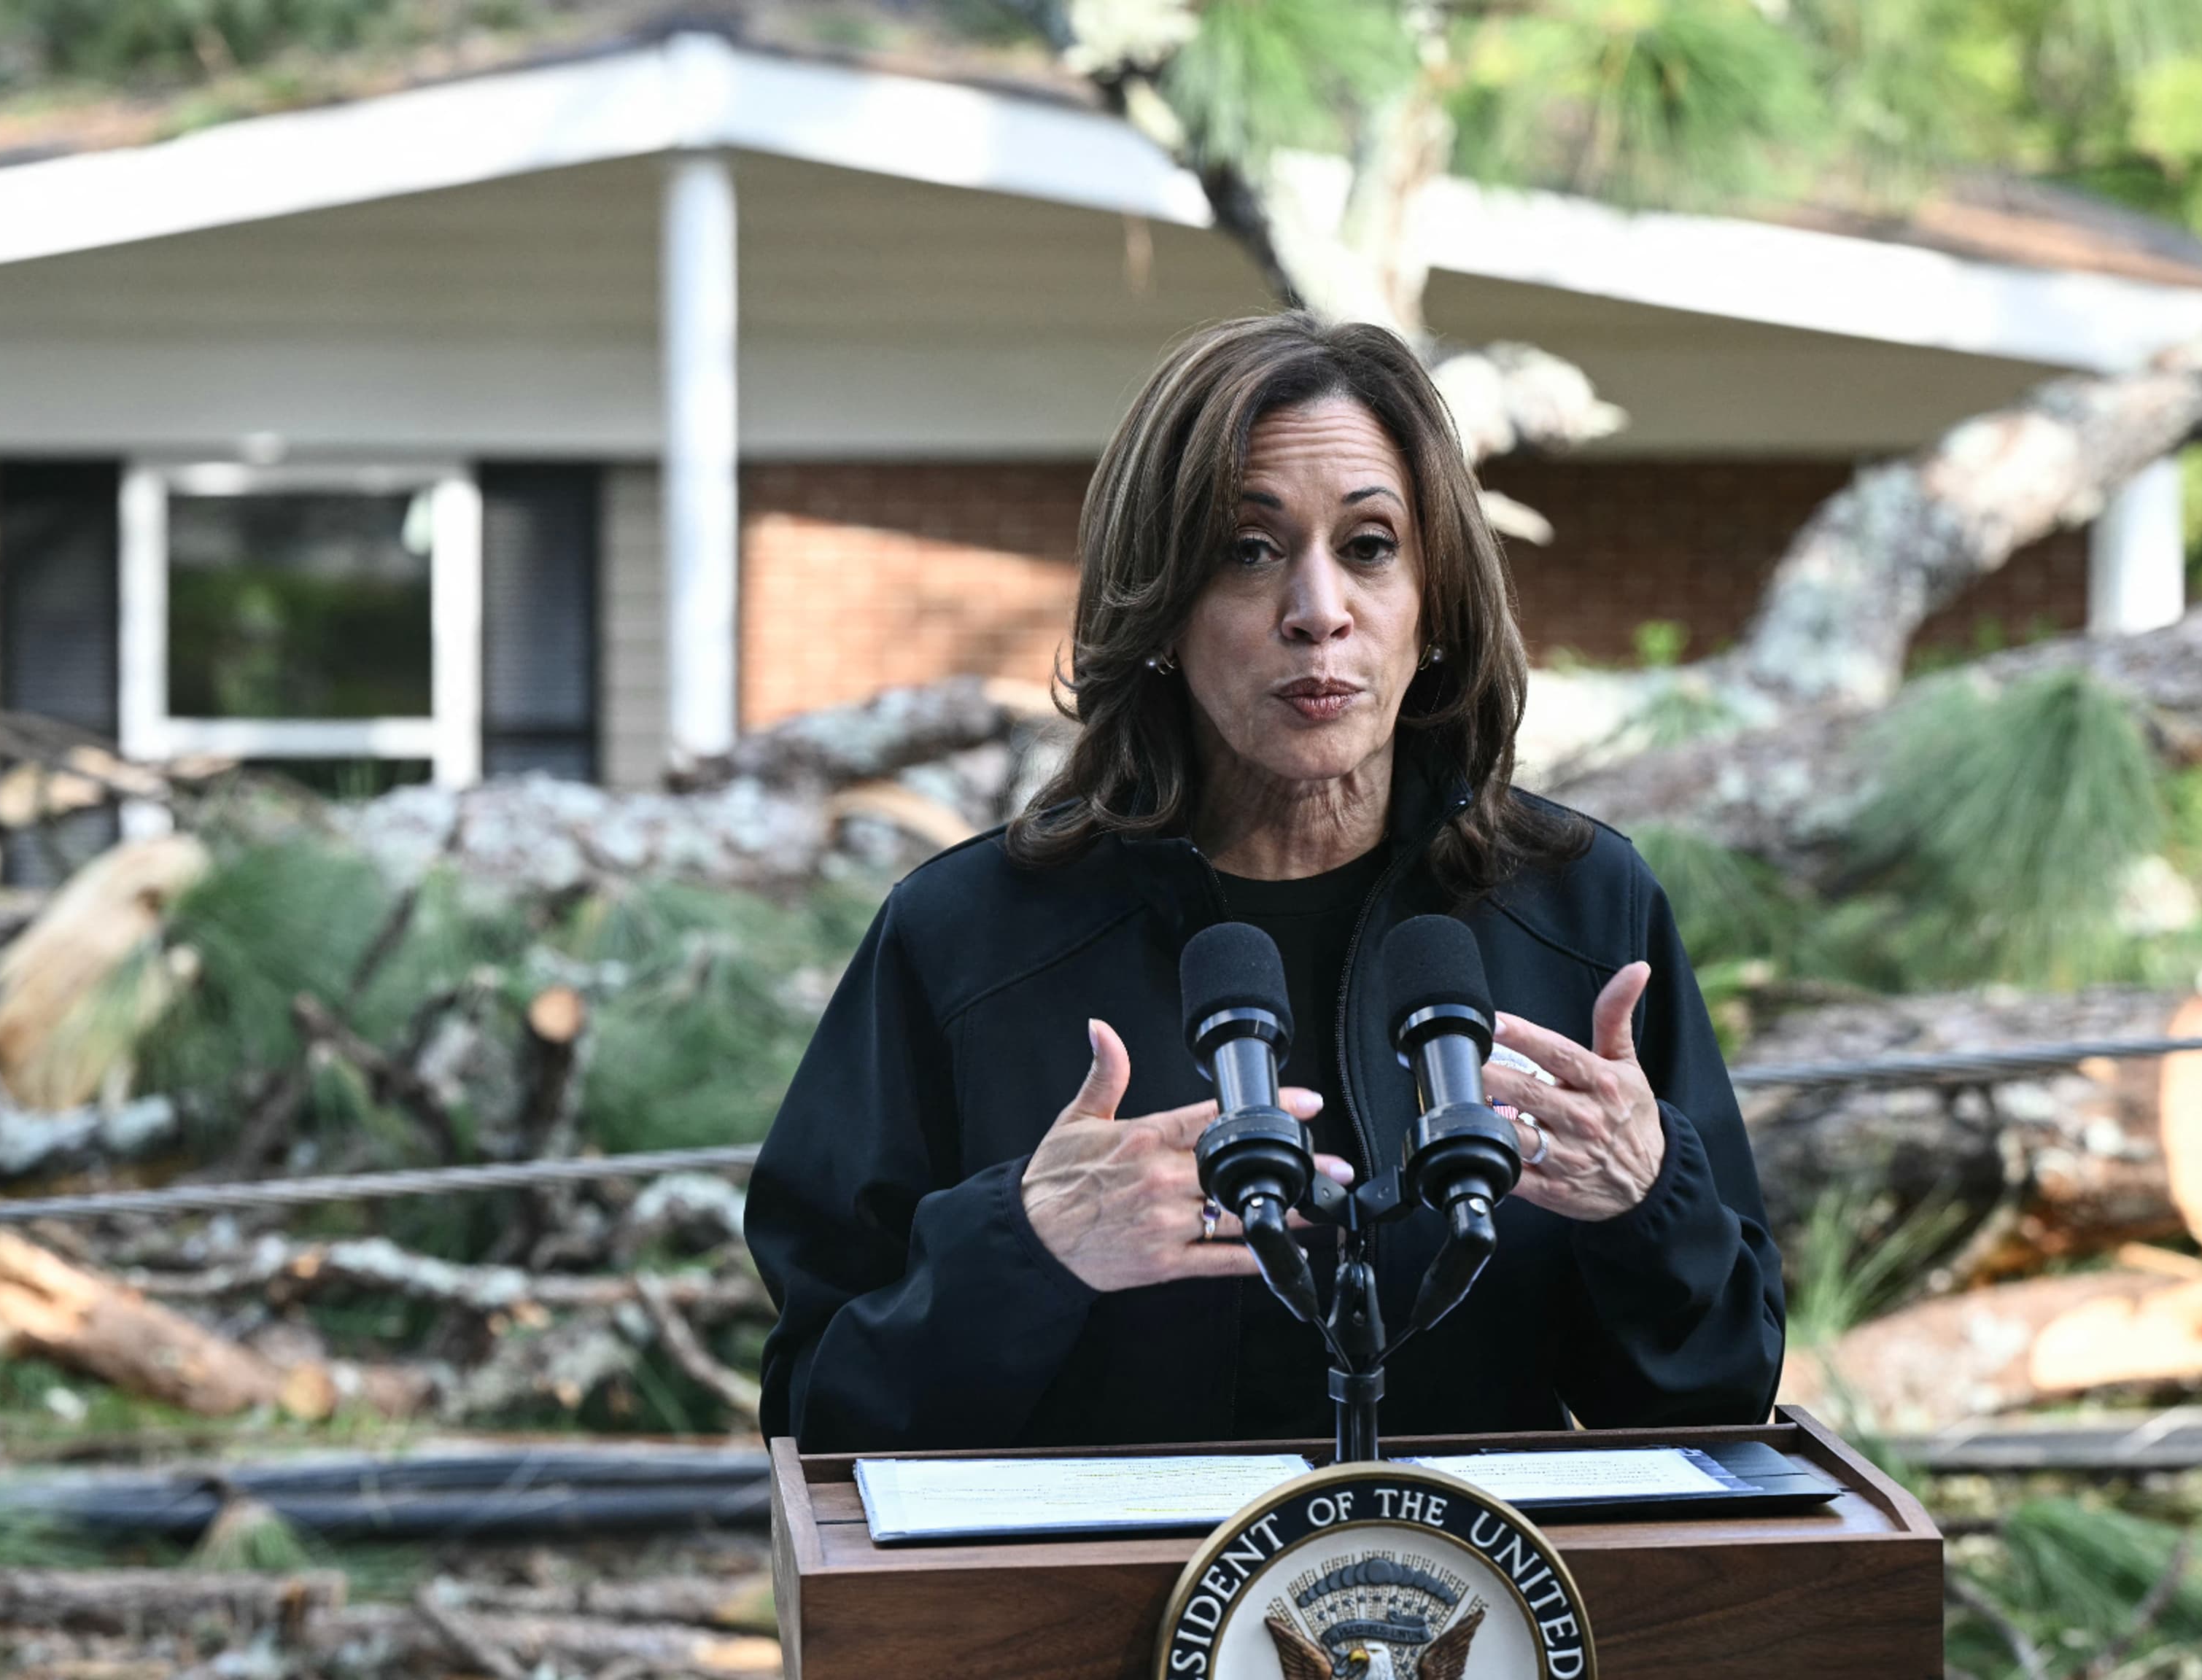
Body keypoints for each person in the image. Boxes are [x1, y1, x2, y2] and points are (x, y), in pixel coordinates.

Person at [747, 313, 1784, 1452]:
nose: (1319, 610)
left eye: (1371, 546)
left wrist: (1647, 1203)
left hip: (1479, 1572)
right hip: (1098, 1575)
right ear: (1159, 608)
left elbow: (1719, 1401)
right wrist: (1027, 1251)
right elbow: (817, 1414)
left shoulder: (1584, 911)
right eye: (1248, 550)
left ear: (1435, 603)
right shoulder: (964, 939)